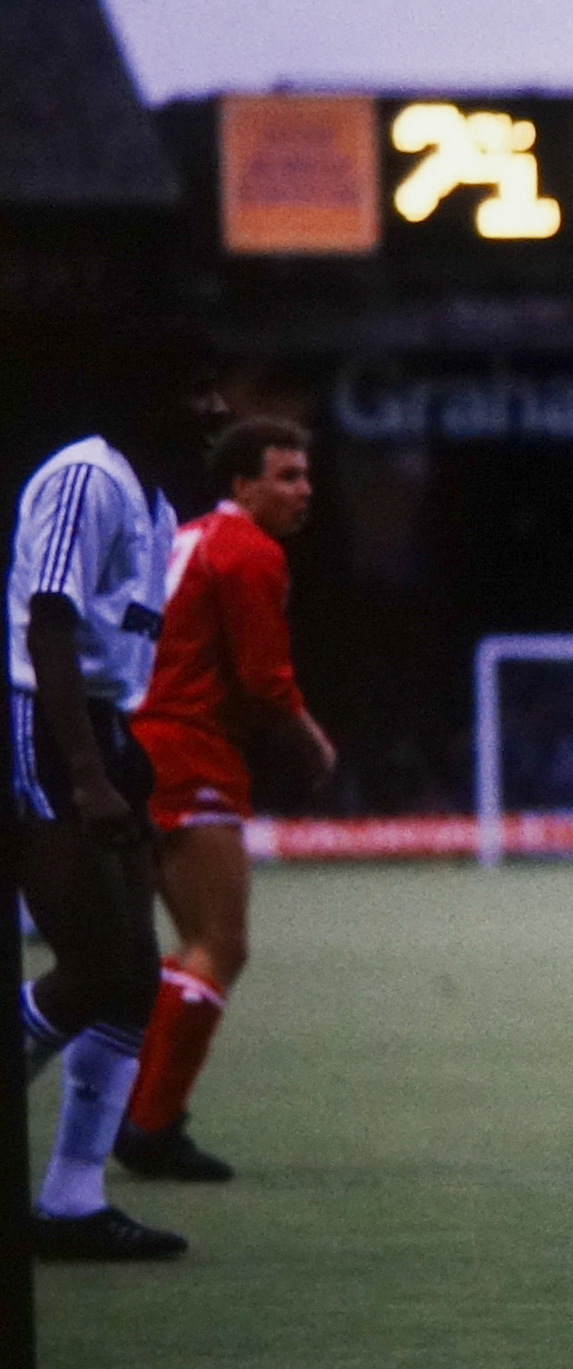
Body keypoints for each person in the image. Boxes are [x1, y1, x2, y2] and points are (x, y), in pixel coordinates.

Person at [8, 362, 220, 1260]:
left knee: (133, 972)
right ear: (144, 396)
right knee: (94, 961)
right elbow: (47, 623)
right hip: (46, 720)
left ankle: (70, 1201)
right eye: (197, 389)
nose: (214, 409)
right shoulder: (86, 476)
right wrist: (88, 776)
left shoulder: (158, 504)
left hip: (104, 725)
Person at [114, 417, 335, 1181]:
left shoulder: (183, 536)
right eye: (285, 476)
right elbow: (264, 678)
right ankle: (149, 1123)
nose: (303, 491)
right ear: (240, 483)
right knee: (219, 943)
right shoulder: (249, 551)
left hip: (129, 742)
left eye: (306, 476)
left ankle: (134, 1113)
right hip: (187, 750)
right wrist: (311, 739)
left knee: (134, 954)